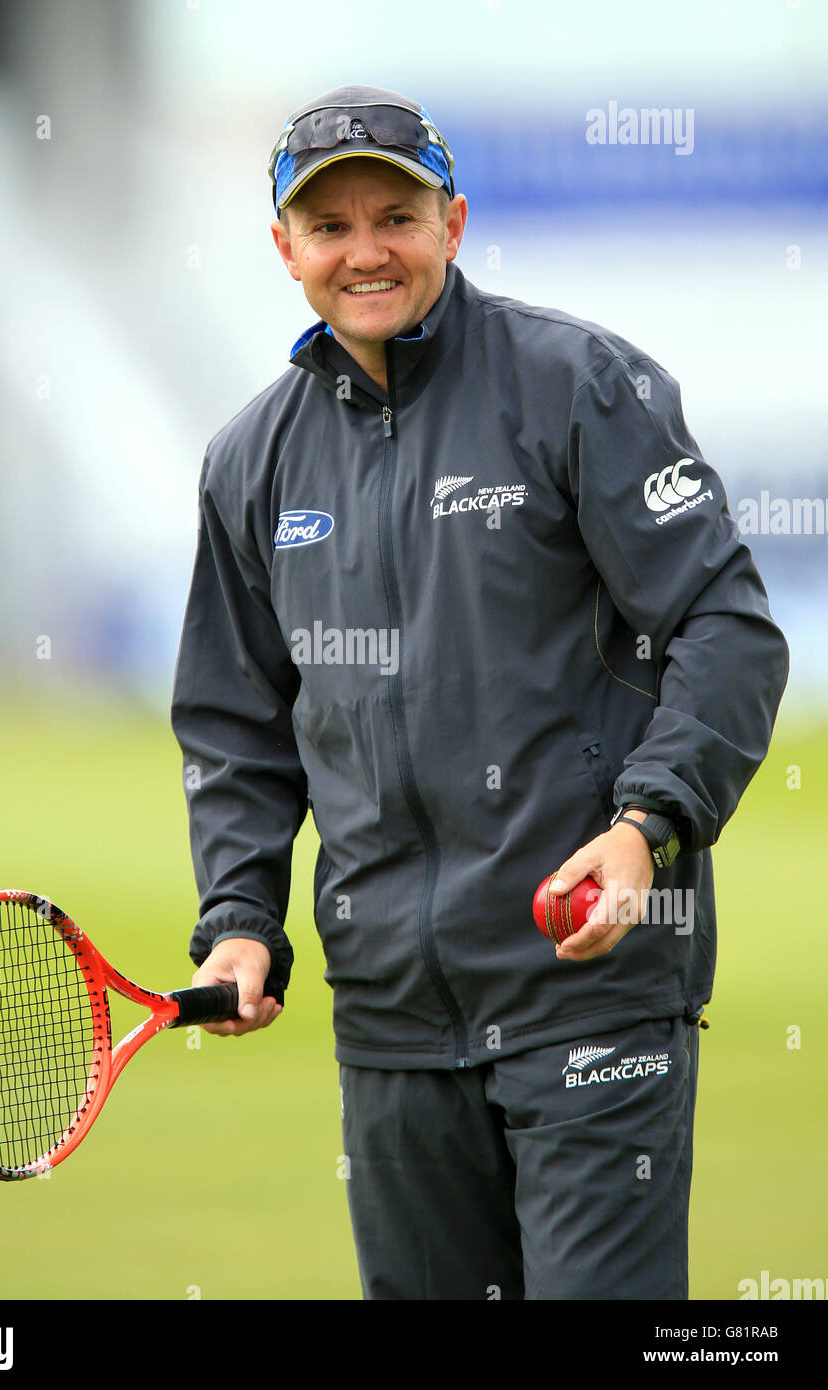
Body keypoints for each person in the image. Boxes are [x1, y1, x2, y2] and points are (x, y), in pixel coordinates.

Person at [170, 85, 789, 1300]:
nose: (366, 252)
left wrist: (644, 828)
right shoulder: (249, 459)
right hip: (390, 1027)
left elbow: (729, 625)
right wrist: (240, 918)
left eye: (394, 215)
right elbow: (238, 727)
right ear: (284, 248)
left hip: (590, 994)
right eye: (330, 225)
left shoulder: (576, 384)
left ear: (452, 220)